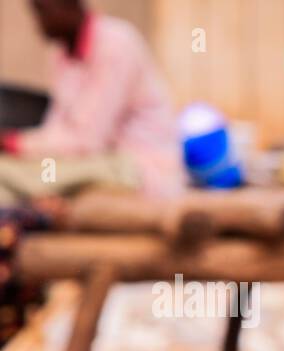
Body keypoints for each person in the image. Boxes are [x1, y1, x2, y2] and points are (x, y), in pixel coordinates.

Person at [0, 0, 184, 203]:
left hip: (137, 167)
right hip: (94, 162)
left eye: (42, 11)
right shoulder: (61, 54)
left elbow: (87, 142)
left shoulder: (116, 44)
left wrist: (14, 143)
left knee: (15, 177)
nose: (38, 22)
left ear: (69, 6)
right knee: (11, 175)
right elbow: (57, 129)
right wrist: (19, 146)